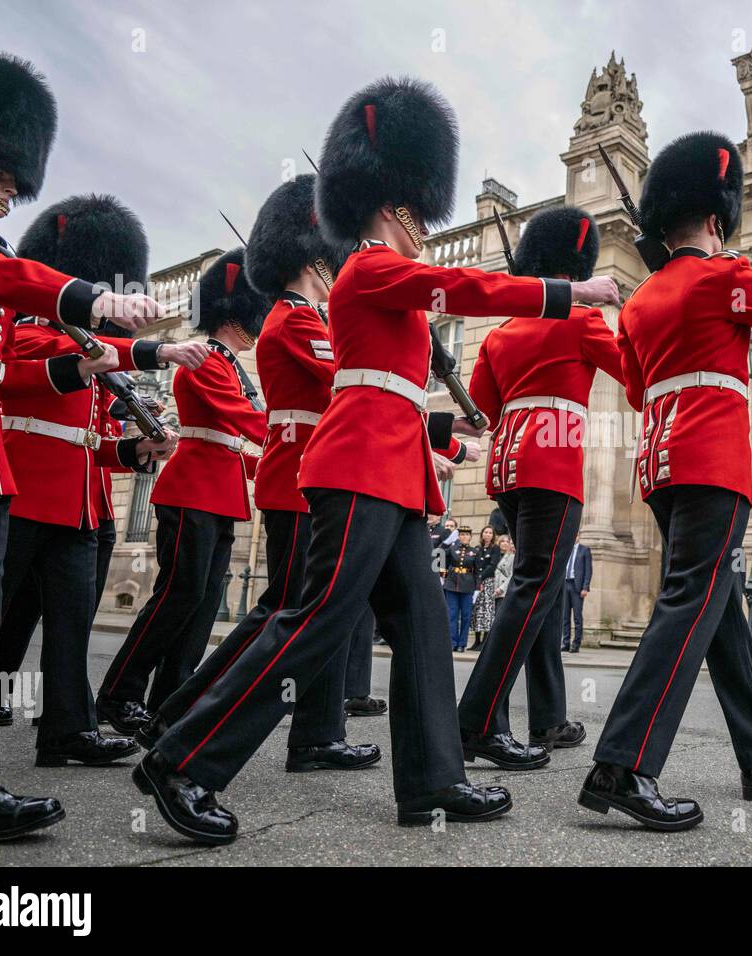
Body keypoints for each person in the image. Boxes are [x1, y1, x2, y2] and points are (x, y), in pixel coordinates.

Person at [133, 76, 619, 843]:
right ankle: (183, 757)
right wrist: (568, 293)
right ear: (393, 207)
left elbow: (415, 357)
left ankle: (433, 781)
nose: (427, 226)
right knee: (315, 618)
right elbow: (457, 284)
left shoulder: (380, 280)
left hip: (390, 471)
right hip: (358, 465)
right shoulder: (369, 268)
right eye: (420, 212)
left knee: (424, 629)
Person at [584, 132, 752, 830]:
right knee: (688, 602)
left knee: (719, 609)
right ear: (715, 219)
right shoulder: (727, 275)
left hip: (661, 466)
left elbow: (639, 391)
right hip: (712, 460)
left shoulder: (640, 304)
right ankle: (624, 763)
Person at [0, 50, 162, 840]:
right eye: (4, 173)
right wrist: (88, 298)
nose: (12, 190)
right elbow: (27, 364)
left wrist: (144, 361)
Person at [138, 174, 388, 772]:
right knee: (286, 611)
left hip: (303, 475)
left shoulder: (303, 318)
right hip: (300, 478)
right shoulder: (298, 320)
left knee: (304, 609)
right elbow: (343, 386)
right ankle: (185, 711)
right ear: (314, 259)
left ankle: (315, 732)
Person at [0, 194, 193, 765]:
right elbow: (22, 366)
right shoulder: (34, 322)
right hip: (22, 492)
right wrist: (156, 350)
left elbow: (89, 441)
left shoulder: (87, 342)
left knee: (71, 626)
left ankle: (65, 729)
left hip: (78, 505)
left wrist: (135, 449)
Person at [456, 205, 624, 768]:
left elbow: (482, 409)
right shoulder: (580, 319)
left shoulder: (501, 333)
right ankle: (477, 719)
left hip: (506, 466)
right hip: (552, 466)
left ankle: (548, 717)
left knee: (541, 591)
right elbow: (638, 375)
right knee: (534, 587)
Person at [97, 247, 269, 730]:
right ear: (238, 315)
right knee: (177, 596)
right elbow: (245, 422)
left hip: (219, 491)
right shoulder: (209, 360)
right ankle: (119, 692)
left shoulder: (231, 365)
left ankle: (169, 701)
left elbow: (237, 440)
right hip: (193, 491)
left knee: (199, 603)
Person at [443, 526, 479, 651]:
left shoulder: (475, 551)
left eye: (467, 535)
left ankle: (462, 644)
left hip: (468, 586)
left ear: (470, 537)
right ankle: (452, 642)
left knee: (465, 616)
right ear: (458, 537)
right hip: (452, 585)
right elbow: (438, 556)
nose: (464, 537)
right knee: (452, 615)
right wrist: (442, 575)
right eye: (462, 535)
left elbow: (477, 571)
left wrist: (477, 588)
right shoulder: (452, 549)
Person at [468, 526, 500, 650]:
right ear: (482, 534)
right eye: (485, 532)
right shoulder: (478, 549)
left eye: (490, 532)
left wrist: (481, 576)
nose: (487, 534)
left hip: (488, 582)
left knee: (487, 611)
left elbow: (492, 565)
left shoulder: (495, 549)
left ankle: (485, 641)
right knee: (477, 611)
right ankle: (476, 640)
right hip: (477, 583)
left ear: (493, 535)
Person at [563, 532, 593, 653]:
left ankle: (576, 644)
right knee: (565, 617)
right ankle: (565, 643)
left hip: (577, 587)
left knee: (577, 617)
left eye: (575, 535)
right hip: (565, 584)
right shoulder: (565, 550)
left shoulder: (584, 550)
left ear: (578, 536)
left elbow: (588, 570)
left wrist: (585, 587)